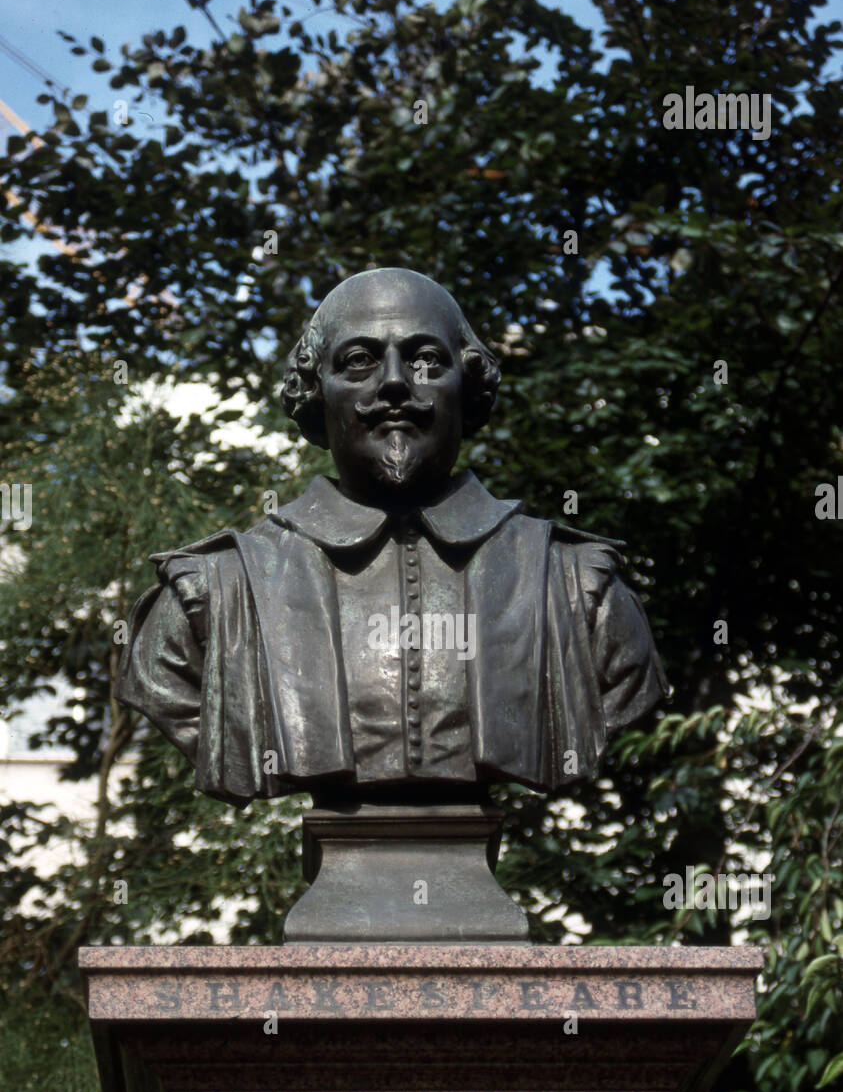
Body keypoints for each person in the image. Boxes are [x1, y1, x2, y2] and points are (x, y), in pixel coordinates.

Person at [116, 268, 668, 806]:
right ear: (315, 392)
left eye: (426, 359)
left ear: (469, 385)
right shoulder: (212, 596)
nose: (396, 383)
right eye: (359, 361)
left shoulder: (576, 588)